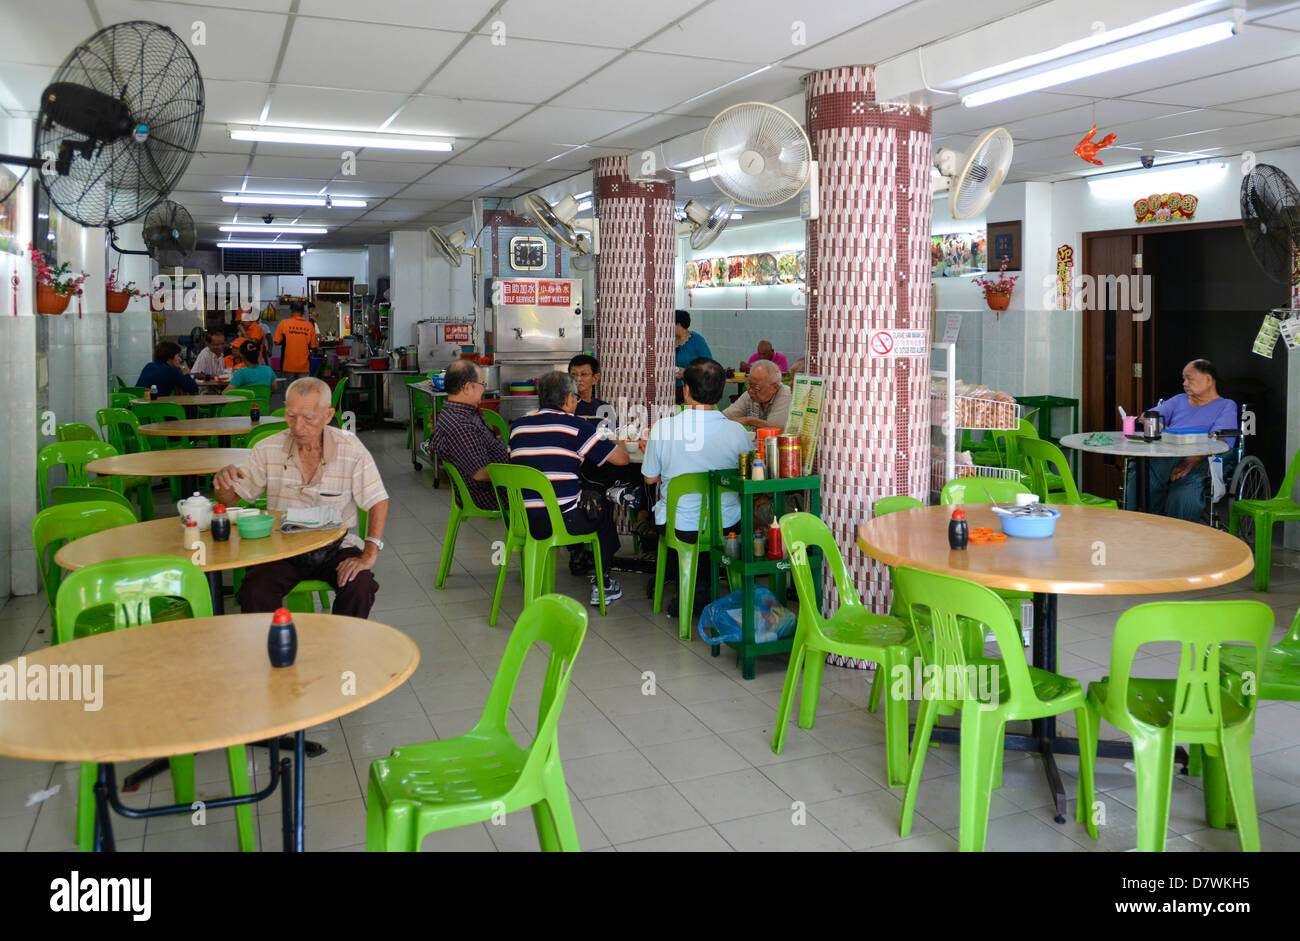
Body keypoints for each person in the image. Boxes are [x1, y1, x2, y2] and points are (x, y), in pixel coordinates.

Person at [214, 377, 389, 616]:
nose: (297, 427)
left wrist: (369, 553)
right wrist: (223, 482)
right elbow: (229, 499)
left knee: (360, 586)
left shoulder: (350, 449)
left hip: (335, 547)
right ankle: (269, 649)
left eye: (307, 418)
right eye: (291, 415)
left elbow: (378, 499)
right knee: (255, 591)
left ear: (328, 416)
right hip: (284, 548)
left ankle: (344, 648)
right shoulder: (268, 448)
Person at [509, 371, 630, 605]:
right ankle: (602, 584)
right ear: (567, 399)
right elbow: (622, 460)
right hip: (562, 522)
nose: (576, 401)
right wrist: (609, 437)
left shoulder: (519, 427)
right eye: (574, 397)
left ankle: (578, 559)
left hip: (523, 521)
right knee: (600, 507)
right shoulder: (576, 426)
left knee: (579, 496)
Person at [642, 358, 751, 613]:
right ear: (722, 393)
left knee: (669, 515)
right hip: (726, 528)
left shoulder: (664, 428)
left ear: (687, 391)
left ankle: (690, 587)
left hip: (680, 527)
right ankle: (705, 588)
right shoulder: (737, 432)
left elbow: (649, 479)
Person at [1128, 358, 1238, 522]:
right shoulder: (1178, 400)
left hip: (1202, 458)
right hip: (1167, 455)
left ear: (1208, 379)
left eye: (1189, 378)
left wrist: (1192, 460)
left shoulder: (1226, 405)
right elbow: (1149, 416)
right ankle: (1144, 527)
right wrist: (1156, 422)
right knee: (1141, 477)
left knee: (1184, 492)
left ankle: (1179, 538)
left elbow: (1220, 440)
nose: (1185, 383)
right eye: (1183, 379)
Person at [429, 360, 508, 512]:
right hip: (493, 495)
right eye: (482, 385)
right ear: (467, 387)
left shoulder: (463, 412)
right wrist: (519, 474)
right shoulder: (461, 425)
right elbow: (481, 473)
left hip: (496, 485)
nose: (483, 390)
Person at [724, 359, 792, 431]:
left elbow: (775, 431)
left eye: (757, 387)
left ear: (774, 387)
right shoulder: (750, 393)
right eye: (749, 384)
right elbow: (724, 417)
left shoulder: (786, 395)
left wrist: (751, 421)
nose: (750, 390)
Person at [274, 301, 317, 381]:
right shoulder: (309, 326)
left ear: (291, 311)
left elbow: (277, 341)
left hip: (287, 365)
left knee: (289, 391)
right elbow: (313, 346)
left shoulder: (284, 323)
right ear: (303, 312)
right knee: (302, 392)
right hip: (304, 366)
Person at [674, 310, 712, 399]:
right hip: (673, 388)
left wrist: (688, 372)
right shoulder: (670, 340)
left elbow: (709, 365)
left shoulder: (696, 339)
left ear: (678, 325)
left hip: (692, 389)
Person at [568, 354, 610, 424]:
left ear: (595, 378)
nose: (578, 379)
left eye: (583, 374)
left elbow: (615, 432)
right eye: (574, 374)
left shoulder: (604, 407)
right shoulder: (565, 406)